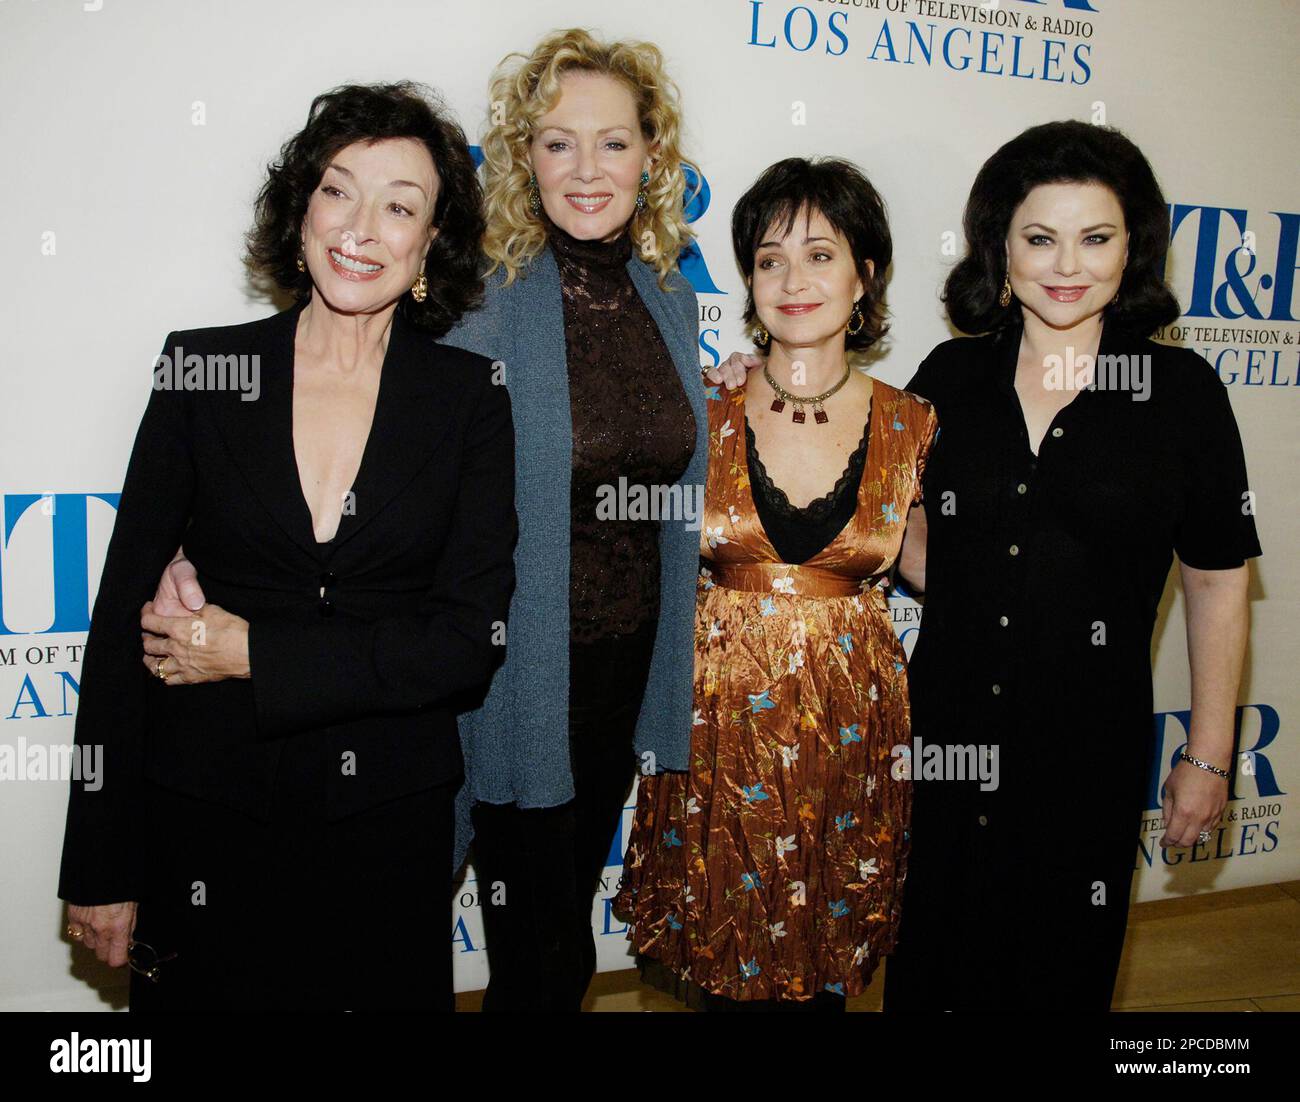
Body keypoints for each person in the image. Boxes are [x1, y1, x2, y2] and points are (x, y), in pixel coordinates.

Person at [148, 28, 709, 1012]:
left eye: (613, 141)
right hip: (509, 676)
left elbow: (668, 467)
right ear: (519, 157)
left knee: (560, 938)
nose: (587, 168)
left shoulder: (667, 294)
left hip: (622, 677)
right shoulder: (473, 298)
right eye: (556, 141)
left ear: (651, 154)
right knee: (530, 954)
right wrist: (201, 540)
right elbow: (345, 412)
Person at [63, 81, 515, 1012]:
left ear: (430, 244)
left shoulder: (469, 399)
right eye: (338, 190)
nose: (361, 228)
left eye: (401, 206)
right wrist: (101, 857)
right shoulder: (200, 368)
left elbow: (466, 644)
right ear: (301, 209)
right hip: (206, 819)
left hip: (386, 830)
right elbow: (120, 628)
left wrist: (253, 652)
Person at [881, 121, 1262, 1010]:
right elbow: (903, 531)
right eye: (1039, 238)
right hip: (944, 736)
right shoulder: (948, 375)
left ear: (1133, 252)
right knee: (932, 967)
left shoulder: (1183, 396)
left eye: (1096, 238)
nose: (1066, 264)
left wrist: (1209, 755)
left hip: (1085, 747)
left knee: (1061, 974)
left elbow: (1215, 580)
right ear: (999, 251)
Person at [613, 157, 938, 1010]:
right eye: (769, 258)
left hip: (848, 735)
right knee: (712, 966)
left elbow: (943, 573)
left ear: (866, 274)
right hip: (713, 728)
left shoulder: (914, 423)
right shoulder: (701, 403)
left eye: (822, 255)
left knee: (824, 962)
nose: (793, 280)